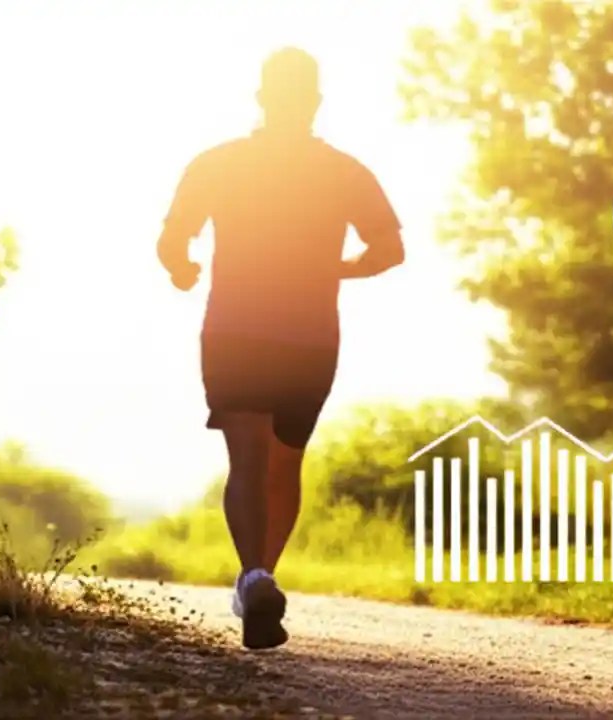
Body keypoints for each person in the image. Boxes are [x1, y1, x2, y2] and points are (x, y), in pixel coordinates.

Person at [155, 47, 405, 650]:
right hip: (308, 337)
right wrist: (331, 270)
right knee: (284, 463)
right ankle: (261, 578)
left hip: (234, 330)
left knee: (247, 458)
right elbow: (389, 251)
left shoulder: (217, 163)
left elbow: (172, 241)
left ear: (261, 98)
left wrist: (183, 270)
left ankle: (254, 577)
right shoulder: (345, 171)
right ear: (315, 103)